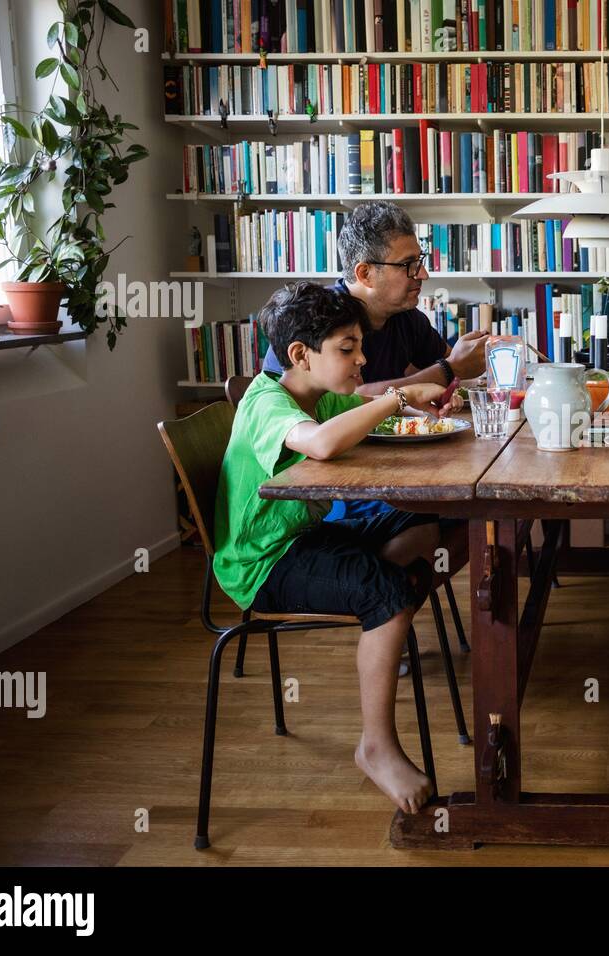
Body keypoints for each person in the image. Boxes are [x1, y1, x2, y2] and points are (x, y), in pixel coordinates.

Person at [214, 282, 456, 815]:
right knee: (388, 592)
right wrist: (398, 396)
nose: (362, 358)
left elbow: (363, 405)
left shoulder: (314, 394)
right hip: (263, 561)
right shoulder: (267, 402)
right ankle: (376, 745)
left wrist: (415, 394)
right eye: (347, 349)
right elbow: (321, 442)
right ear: (300, 355)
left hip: (301, 535)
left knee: (421, 522)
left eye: (359, 346)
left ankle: (380, 616)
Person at [261, 200, 488, 524]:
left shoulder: (406, 318)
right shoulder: (315, 324)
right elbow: (341, 402)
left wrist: (449, 385)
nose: (422, 274)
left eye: (420, 261)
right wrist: (448, 371)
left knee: (469, 506)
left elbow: (443, 378)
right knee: (458, 510)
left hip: (387, 465)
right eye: (408, 264)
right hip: (323, 489)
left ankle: (411, 572)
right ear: (365, 273)